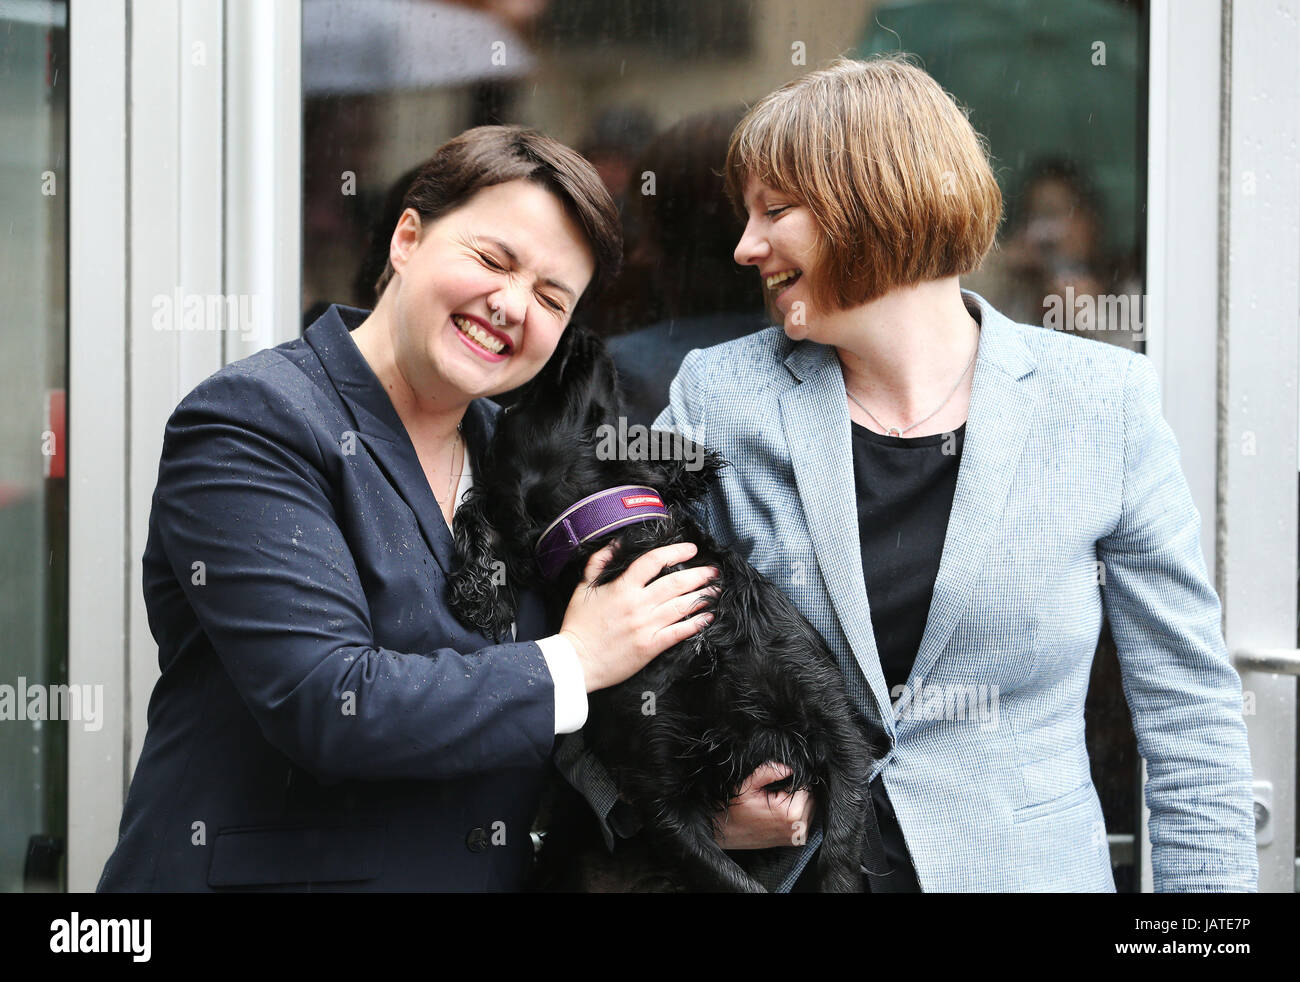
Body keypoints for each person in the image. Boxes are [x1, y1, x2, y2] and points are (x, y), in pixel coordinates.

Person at [565, 55, 1258, 892]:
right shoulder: (722, 395)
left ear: (876, 203)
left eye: (775, 211)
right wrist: (690, 809)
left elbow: (1190, 719)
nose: (746, 248)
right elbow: (601, 654)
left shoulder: (1101, 403)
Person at [97, 125, 719, 892]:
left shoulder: (517, 464)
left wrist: (701, 812)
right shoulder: (254, 421)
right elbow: (328, 701)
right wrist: (579, 658)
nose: (511, 305)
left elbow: (552, 728)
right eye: (493, 260)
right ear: (407, 238)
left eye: (552, 298)